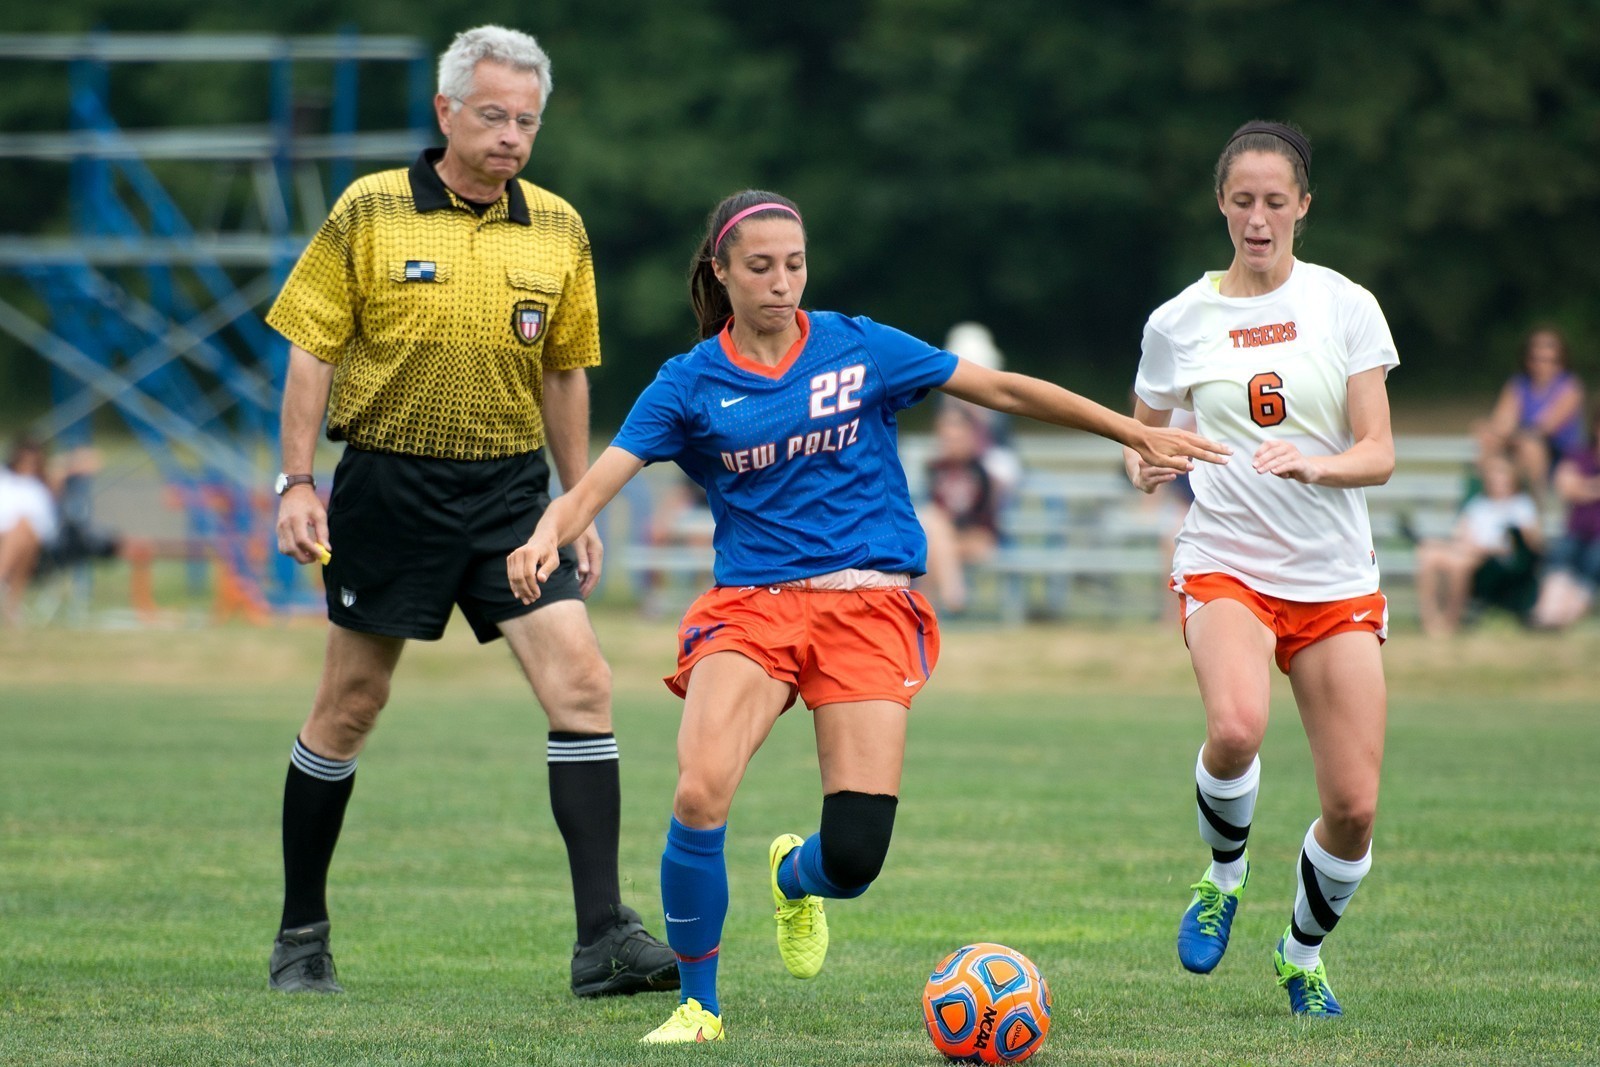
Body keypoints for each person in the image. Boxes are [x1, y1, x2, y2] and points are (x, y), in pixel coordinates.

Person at [506, 189, 1230, 1043]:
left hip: (869, 606)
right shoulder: (691, 381)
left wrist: (1128, 431)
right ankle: (698, 1006)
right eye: (762, 267)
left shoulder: (858, 345)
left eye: (795, 264)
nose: (782, 282)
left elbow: (997, 387)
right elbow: (597, 481)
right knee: (700, 790)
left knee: (853, 857)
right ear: (722, 273)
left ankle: (793, 878)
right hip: (753, 609)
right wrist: (547, 534)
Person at [263, 24, 675, 998]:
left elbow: (566, 371)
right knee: (351, 704)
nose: (511, 135)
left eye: (526, 119)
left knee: (582, 683)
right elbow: (311, 346)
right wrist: (294, 482)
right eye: (492, 114)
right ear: (445, 111)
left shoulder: (558, 228)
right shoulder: (369, 209)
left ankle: (600, 940)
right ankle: (300, 932)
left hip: (509, 496)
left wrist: (574, 506)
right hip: (389, 486)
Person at [1125, 121, 1399, 1017]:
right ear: (1221, 205)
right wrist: (1148, 460)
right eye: (1242, 200)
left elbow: (1379, 451)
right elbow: (1144, 435)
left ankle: (1300, 953)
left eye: (1274, 201)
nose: (1257, 217)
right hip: (1227, 562)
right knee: (1237, 726)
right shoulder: (1179, 320)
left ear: (1303, 207)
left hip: (1333, 579)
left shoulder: (1345, 304)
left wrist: (1313, 462)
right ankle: (1222, 875)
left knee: (1354, 808)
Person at [1414, 452, 1543, 636]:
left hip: (1497, 563)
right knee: (1427, 553)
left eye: (1502, 474)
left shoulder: (1521, 506)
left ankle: (1450, 622)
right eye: (1494, 475)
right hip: (1469, 551)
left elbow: (1530, 545)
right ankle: (1431, 621)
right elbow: (1461, 534)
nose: (1497, 480)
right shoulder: (1478, 504)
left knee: (1459, 565)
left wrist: (1483, 548)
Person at [1478, 327, 1585, 508]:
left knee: (1530, 447)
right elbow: (1502, 421)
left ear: (1561, 361)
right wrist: (1489, 430)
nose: (1542, 364)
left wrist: (1506, 433)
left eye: (1550, 360)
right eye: (1536, 359)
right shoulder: (1519, 384)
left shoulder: (1570, 388)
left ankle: (1533, 509)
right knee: (1488, 439)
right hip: (1521, 446)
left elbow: (1544, 427)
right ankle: (1486, 506)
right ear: (1528, 360)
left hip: (1560, 457)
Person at [919, 403, 1003, 614]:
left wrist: (951, 530)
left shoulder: (981, 470)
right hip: (945, 538)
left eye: (957, 433)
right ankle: (950, 597)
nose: (951, 439)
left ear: (970, 435)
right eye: (946, 434)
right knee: (935, 528)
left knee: (934, 541)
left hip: (977, 538)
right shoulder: (935, 469)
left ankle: (928, 607)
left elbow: (983, 517)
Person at [1529, 401, 1600, 629]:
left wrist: (1583, 486)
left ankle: (1559, 619)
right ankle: (1546, 614)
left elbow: (1573, 486)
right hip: (1577, 532)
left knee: (1593, 563)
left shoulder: (1578, 461)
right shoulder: (1579, 455)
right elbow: (1564, 487)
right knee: (1560, 560)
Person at [0, 437, 60, 625]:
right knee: (22, 531)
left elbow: (47, 522)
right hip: (7, 534)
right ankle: (13, 608)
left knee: (24, 532)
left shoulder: (40, 487)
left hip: (32, 538)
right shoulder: (5, 480)